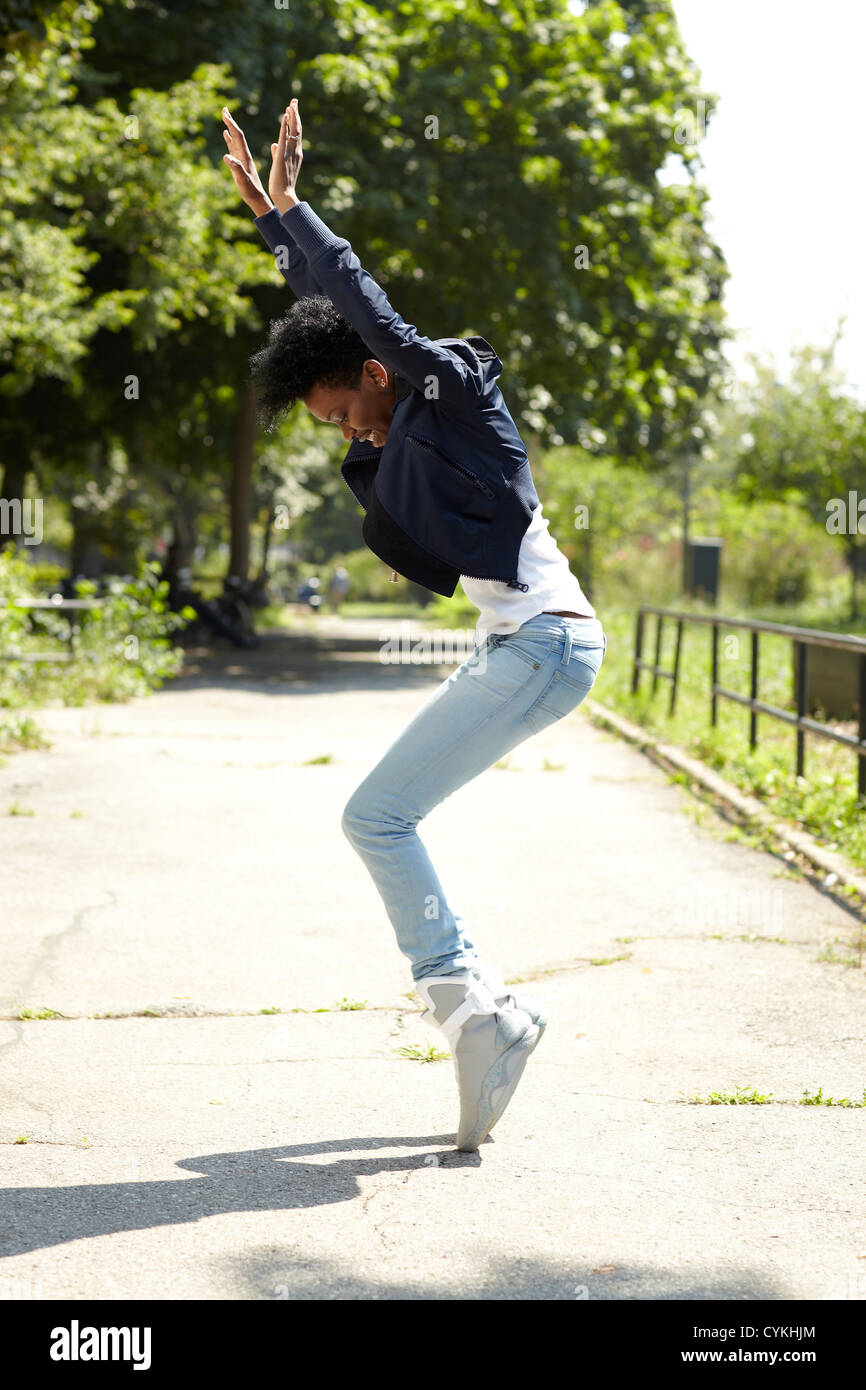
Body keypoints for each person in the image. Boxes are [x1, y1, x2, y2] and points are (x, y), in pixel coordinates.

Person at [223, 99, 607, 1152]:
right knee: (380, 816)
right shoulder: (388, 406)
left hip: (547, 639)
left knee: (375, 816)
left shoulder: (451, 385)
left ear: (380, 378)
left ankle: (471, 1007)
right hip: (521, 645)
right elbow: (336, 325)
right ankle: (491, 1013)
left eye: (342, 410)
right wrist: (273, 235)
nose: (344, 432)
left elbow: (368, 311)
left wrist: (298, 214)